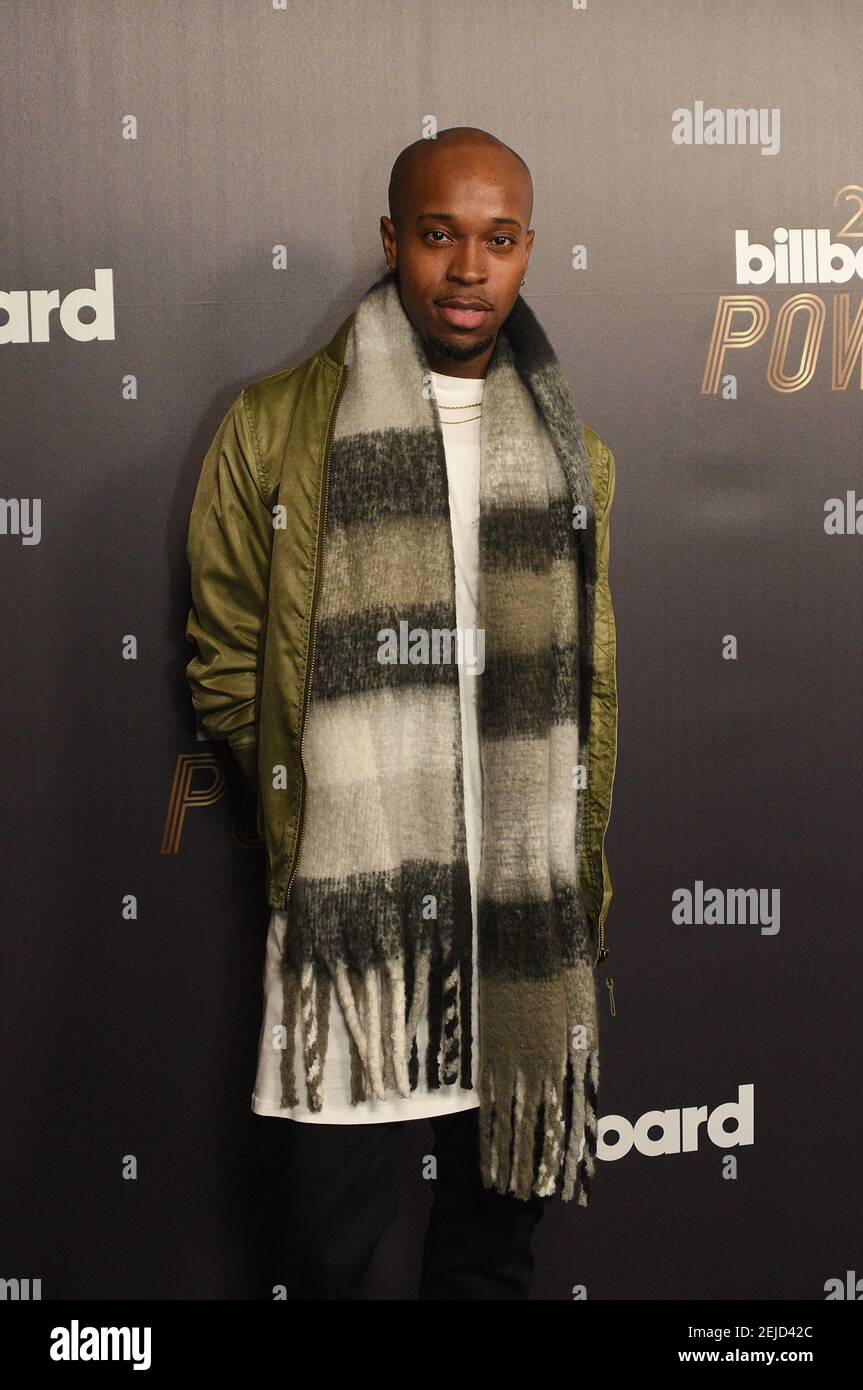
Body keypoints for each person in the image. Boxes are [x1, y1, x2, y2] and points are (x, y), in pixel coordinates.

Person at [184, 125, 619, 1299]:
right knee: (322, 1256)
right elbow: (229, 660)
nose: (467, 269)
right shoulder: (274, 428)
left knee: (490, 1257)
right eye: (438, 236)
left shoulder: (573, 456)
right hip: (356, 944)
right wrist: (332, 808)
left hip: (513, 930)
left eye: (497, 240)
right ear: (392, 241)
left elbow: (584, 688)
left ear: (528, 250)